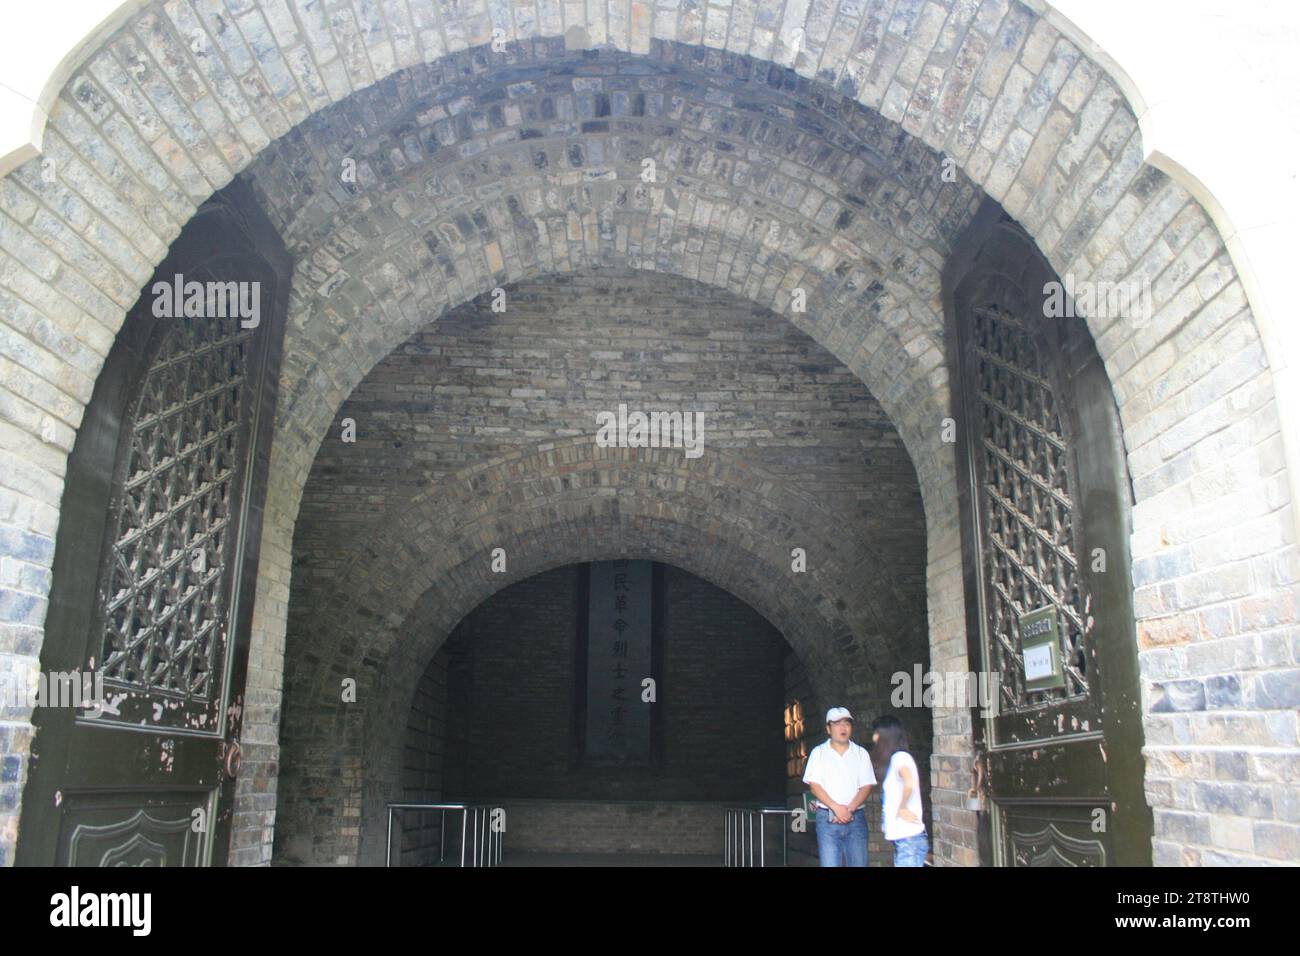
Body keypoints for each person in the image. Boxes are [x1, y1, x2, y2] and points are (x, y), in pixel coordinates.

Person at [802, 706, 876, 866]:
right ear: (828, 728)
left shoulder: (861, 753)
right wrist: (836, 807)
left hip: (855, 817)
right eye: (837, 724)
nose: (843, 728)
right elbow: (814, 786)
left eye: (847, 723)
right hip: (827, 819)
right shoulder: (819, 753)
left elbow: (867, 785)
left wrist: (848, 810)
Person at [871, 714, 928, 867]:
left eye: (877, 732)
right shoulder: (896, 760)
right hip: (905, 840)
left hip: (909, 839)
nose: (874, 737)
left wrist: (902, 807)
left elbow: (910, 782)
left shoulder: (900, 758)